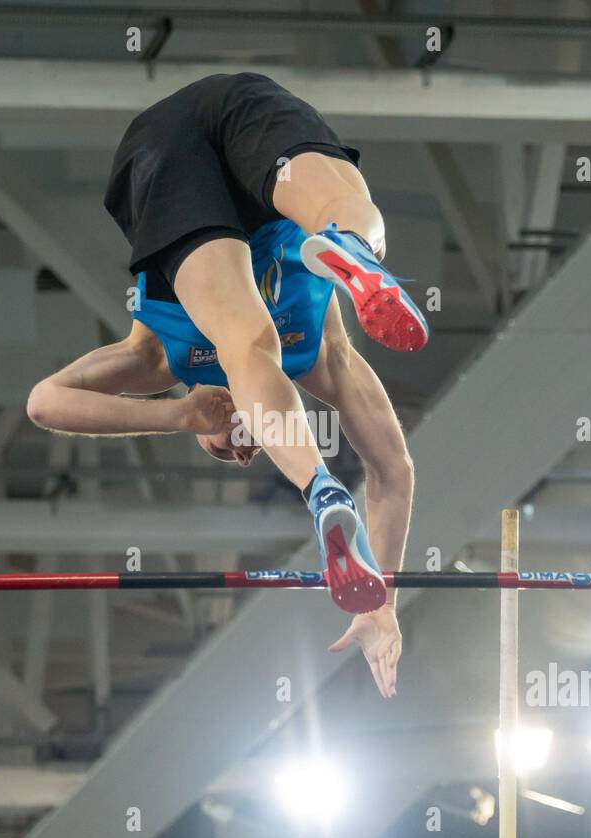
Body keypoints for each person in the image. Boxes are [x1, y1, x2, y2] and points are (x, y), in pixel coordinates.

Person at [26, 73, 425, 697]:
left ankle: (319, 488)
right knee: (339, 208)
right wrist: (379, 601)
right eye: (251, 448)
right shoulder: (321, 355)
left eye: (230, 447)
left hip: (172, 148)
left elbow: (44, 402)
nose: (240, 446)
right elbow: (392, 469)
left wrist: (181, 412)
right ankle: (353, 252)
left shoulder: (158, 355)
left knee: (250, 345)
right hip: (247, 127)